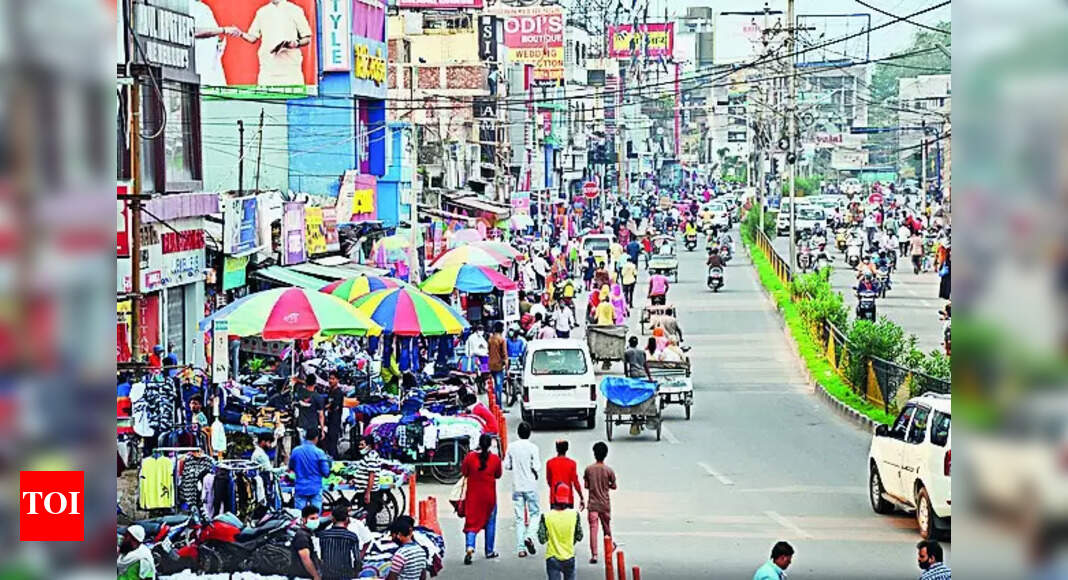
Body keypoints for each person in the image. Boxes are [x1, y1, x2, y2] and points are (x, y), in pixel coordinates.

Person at [235, 0, 313, 86]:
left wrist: (296, 43)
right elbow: (253, 37)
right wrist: (240, 34)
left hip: (290, 68)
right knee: (268, 98)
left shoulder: (295, 10)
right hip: (268, 68)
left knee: (292, 97)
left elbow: (307, 38)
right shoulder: (262, 12)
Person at [460, 433, 503, 565]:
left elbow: (464, 472)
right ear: (490, 444)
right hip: (489, 497)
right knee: (490, 523)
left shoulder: (470, 457)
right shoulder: (495, 459)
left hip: (473, 497)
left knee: (471, 523)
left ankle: (470, 546)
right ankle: (489, 550)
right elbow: (498, 475)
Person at [505, 421, 541, 558]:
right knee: (535, 514)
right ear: (529, 433)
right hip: (530, 486)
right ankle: (530, 536)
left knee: (520, 518)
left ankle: (521, 548)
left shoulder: (511, 447)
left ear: (518, 433)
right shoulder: (533, 448)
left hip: (517, 486)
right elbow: (537, 467)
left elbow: (507, 465)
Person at [538, 482, 584, 580]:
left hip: (552, 557)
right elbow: (579, 536)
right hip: (569, 556)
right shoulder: (574, 515)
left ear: (555, 497)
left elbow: (542, 539)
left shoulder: (546, 516)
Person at [583, 442, 617, 565]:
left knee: (593, 529)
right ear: (606, 455)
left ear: (594, 454)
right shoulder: (609, 471)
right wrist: (606, 485)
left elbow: (586, 485)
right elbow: (614, 486)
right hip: (604, 504)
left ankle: (594, 554)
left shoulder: (589, 469)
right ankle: (609, 547)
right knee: (606, 528)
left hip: (593, 504)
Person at [289, 427, 332, 510]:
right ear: (316, 438)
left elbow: (291, 467)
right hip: (315, 487)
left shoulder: (295, 451)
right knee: (315, 516)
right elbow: (326, 473)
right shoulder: (319, 453)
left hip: (300, 487)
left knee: (299, 516)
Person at [350, 435, 385, 530]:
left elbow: (371, 476)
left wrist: (368, 493)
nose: (360, 447)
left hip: (370, 492)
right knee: (366, 516)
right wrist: (356, 479)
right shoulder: (367, 456)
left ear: (369, 446)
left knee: (368, 517)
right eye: (359, 444)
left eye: (362, 445)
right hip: (364, 491)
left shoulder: (372, 457)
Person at [320, 506, 362, 580]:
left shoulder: (323, 535)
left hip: (327, 575)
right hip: (345, 574)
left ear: (333, 519)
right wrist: (356, 572)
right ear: (346, 519)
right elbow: (357, 558)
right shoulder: (351, 536)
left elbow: (322, 556)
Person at [546, 440, 585, 512]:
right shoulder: (572, 463)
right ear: (567, 449)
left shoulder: (550, 463)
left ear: (556, 449)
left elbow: (549, 481)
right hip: (568, 498)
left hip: (554, 498)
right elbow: (575, 482)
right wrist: (581, 496)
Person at [386, 516, 428, 580]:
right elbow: (423, 576)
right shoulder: (421, 551)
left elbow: (392, 578)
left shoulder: (400, 554)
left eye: (392, 536)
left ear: (399, 535)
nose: (392, 539)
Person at [290, 505, 323, 580]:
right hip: (303, 577)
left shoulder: (310, 533)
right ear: (304, 520)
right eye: (312, 518)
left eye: (317, 518)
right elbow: (305, 559)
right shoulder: (302, 536)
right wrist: (316, 576)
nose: (315, 521)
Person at [295, 377, 325, 443]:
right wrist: (322, 430)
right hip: (312, 427)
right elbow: (321, 415)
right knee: (311, 448)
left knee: (303, 447)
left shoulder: (300, 393)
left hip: (301, 425)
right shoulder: (318, 397)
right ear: (315, 384)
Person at [323, 372, 345, 458]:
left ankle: (334, 458)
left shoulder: (338, 392)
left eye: (333, 379)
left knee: (332, 440)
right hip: (329, 419)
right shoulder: (330, 391)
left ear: (337, 380)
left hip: (335, 420)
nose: (330, 381)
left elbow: (334, 406)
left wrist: (327, 407)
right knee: (329, 440)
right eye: (330, 378)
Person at [488, 321, 508, 407]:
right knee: (499, 387)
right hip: (499, 366)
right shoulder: (501, 340)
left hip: (491, 365)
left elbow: (489, 351)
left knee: (495, 385)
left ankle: (495, 404)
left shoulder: (490, 339)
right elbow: (504, 354)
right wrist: (507, 367)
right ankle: (499, 406)